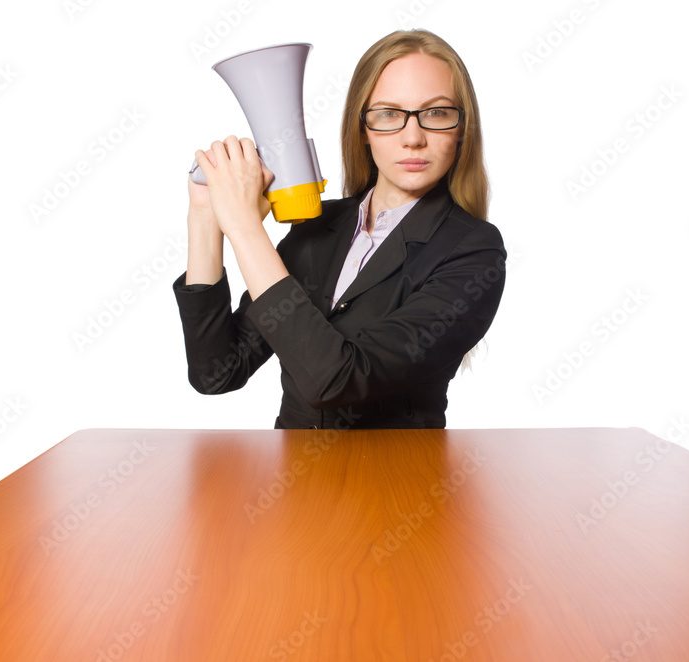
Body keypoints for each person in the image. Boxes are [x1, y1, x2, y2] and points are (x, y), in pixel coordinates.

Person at [173, 29, 506, 429]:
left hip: (398, 484)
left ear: (462, 128)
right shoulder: (318, 229)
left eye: (436, 113)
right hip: (294, 484)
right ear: (362, 129)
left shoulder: (474, 251)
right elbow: (217, 373)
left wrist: (245, 228)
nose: (413, 138)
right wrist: (207, 217)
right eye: (388, 114)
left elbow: (337, 380)